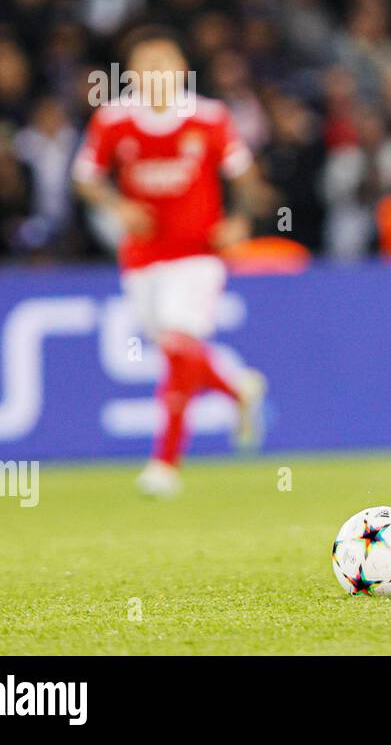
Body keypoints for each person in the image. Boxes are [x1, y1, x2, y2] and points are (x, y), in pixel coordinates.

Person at [73, 25, 270, 497]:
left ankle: (165, 463)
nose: (156, 73)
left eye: (164, 63)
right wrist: (117, 206)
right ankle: (237, 389)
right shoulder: (113, 120)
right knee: (176, 351)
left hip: (198, 255)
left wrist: (240, 221)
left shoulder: (209, 117)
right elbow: (85, 177)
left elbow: (245, 176)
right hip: (142, 256)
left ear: (182, 70)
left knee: (180, 347)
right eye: (145, 66)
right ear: (131, 75)